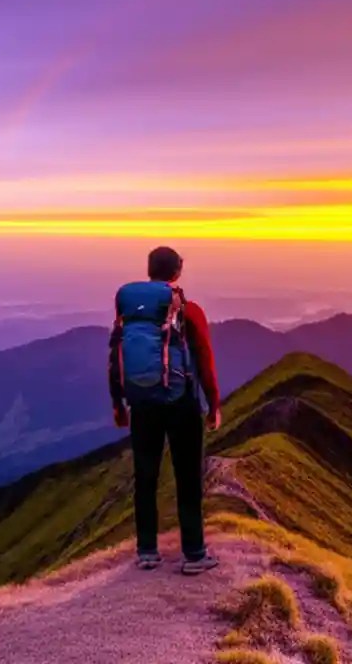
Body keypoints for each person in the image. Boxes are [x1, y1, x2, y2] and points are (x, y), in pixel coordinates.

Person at [108, 246, 222, 575]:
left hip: (142, 403)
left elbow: (116, 358)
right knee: (187, 478)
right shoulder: (188, 311)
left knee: (145, 477)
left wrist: (119, 404)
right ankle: (194, 555)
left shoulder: (132, 314)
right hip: (182, 403)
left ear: (149, 271)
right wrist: (213, 403)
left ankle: (147, 551)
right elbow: (205, 362)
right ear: (177, 273)